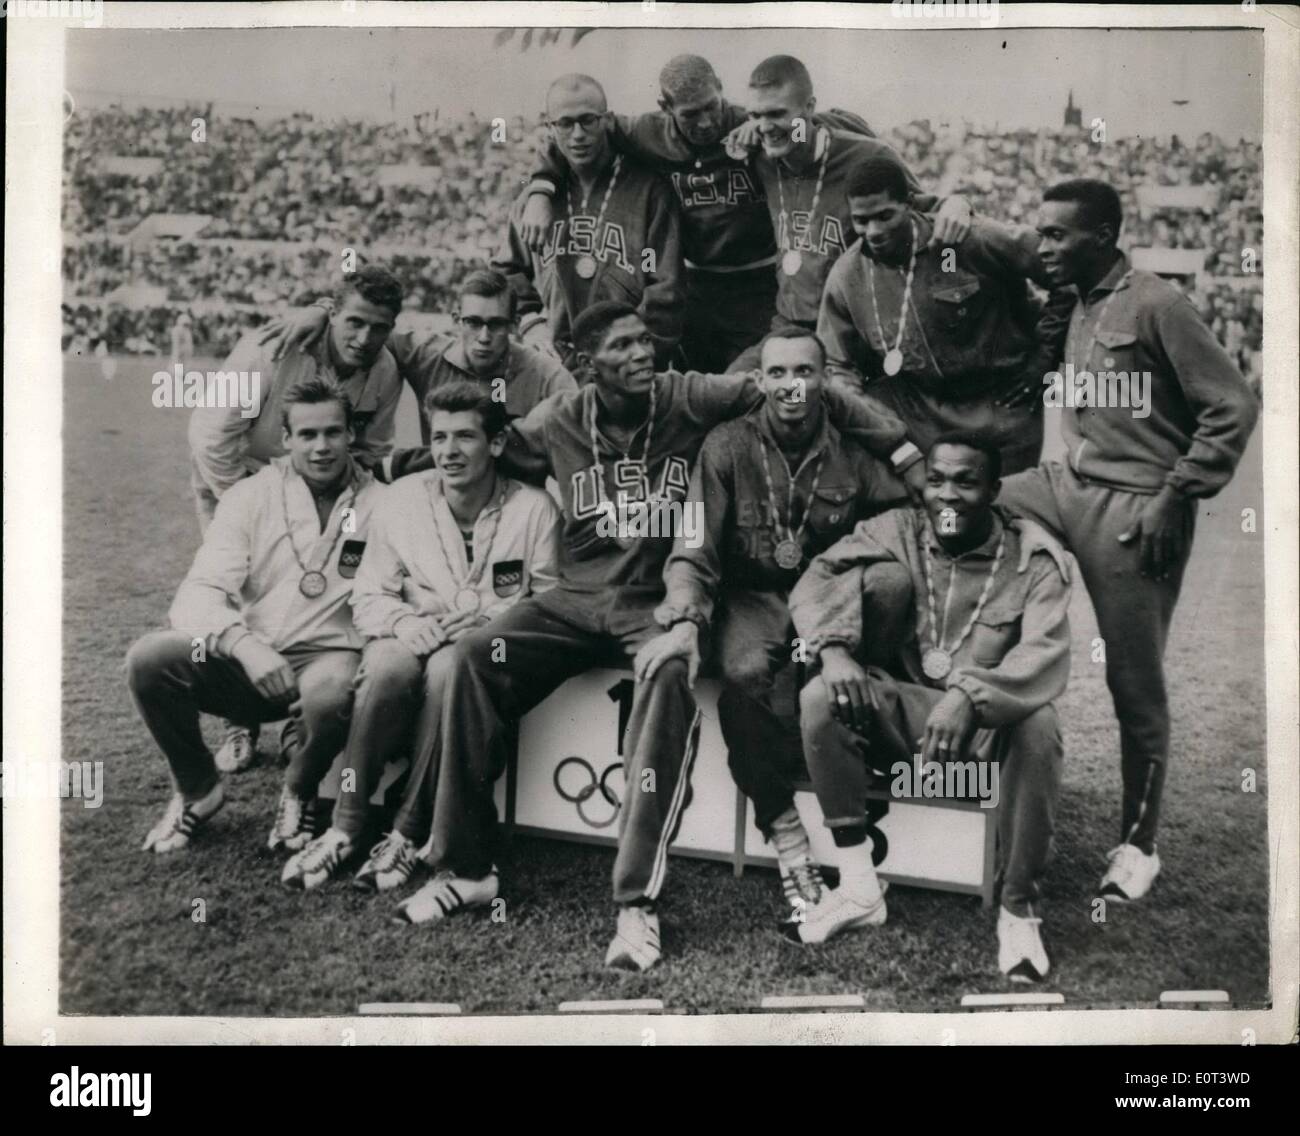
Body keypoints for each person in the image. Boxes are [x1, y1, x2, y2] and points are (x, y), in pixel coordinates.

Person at [404, 301, 927, 970]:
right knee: (475, 656)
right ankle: (468, 868)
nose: (641, 354)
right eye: (622, 347)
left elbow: (802, 388)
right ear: (590, 365)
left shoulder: (687, 395)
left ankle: (635, 904)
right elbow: (482, 440)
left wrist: (905, 449)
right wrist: (392, 466)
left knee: (665, 674)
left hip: (656, 605)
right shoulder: (558, 419)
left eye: (645, 341)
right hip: (575, 598)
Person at [998, 178, 1259, 903]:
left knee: (1132, 682)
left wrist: (1177, 493)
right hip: (1066, 484)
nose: (1042, 247)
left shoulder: (1160, 305)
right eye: (1040, 233)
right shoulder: (1078, 301)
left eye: (1057, 235)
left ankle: (1139, 846)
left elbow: (1232, 403)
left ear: (1105, 234)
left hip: (1135, 507)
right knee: (966, 504)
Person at [639, 328, 908, 911]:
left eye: (805, 372)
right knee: (741, 673)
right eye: (779, 373)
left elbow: (905, 510)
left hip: (827, 598)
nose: (792, 386)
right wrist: (686, 615)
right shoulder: (726, 445)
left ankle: (851, 731)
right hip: (755, 597)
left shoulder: (852, 451)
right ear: (759, 381)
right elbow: (693, 541)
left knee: (891, 581)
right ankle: (786, 830)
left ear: (824, 381)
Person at [789, 435, 1071, 982]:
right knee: (821, 694)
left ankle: (1018, 910)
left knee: (1040, 723)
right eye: (937, 480)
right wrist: (835, 649)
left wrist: (969, 696)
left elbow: (1046, 651)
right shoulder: (899, 527)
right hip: (909, 727)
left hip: (981, 735)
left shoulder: (1034, 556)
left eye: (966, 482)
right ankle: (858, 887)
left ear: (994, 490)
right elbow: (815, 578)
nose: (948, 495)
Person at [280, 381, 560, 895]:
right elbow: (368, 593)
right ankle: (345, 825)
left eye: (465, 438)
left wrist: (491, 623)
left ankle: (407, 833)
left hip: (480, 650)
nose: (449, 452)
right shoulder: (402, 499)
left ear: (496, 444)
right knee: (387, 669)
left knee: (450, 669)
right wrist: (407, 623)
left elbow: (547, 600)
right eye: (439, 438)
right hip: (405, 631)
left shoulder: (534, 509)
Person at [128, 377, 385, 857]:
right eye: (307, 435)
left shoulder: (382, 503)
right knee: (150, 658)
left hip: (327, 661)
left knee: (331, 692)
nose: (322, 447)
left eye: (333, 432)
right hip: (247, 661)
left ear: (352, 434)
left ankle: (299, 789)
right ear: (286, 440)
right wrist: (244, 645)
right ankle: (198, 789)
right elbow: (198, 592)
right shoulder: (250, 496)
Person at [515, 55, 876, 372]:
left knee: (748, 380)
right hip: (698, 287)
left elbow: (820, 125)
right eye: (690, 115)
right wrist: (540, 189)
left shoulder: (752, 124)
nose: (705, 123)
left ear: (721, 89)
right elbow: (572, 132)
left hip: (758, 283)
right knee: (702, 385)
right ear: (665, 107)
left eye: (711, 107)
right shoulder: (645, 132)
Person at [188, 265, 403, 774]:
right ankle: (240, 723)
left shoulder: (385, 369)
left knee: (319, 602)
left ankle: (298, 712)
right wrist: (251, 501)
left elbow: (373, 446)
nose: (364, 337)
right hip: (238, 475)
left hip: (322, 487)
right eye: (354, 322)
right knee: (241, 596)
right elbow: (209, 436)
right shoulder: (269, 349)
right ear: (331, 313)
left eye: (379, 327)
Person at [818, 154, 1072, 475]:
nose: (874, 231)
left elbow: (1069, 272)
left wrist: (1044, 357)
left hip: (1003, 407)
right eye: (861, 220)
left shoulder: (963, 240)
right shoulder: (847, 276)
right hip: (919, 414)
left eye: (885, 216)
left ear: (909, 204)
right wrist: (868, 421)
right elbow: (838, 365)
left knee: (1001, 510)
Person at [721, 55, 973, 371]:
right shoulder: (762, 154)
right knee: (730, 390)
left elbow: (926, 208)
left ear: (810, 108)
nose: (765, 126)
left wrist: (957, 204)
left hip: (853, 335)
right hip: (790, 328)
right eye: (755, 115)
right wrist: (752, 126)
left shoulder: (867, 156)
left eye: (777, 114)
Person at [256, 270, 579, 459]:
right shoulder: (425, 354)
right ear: (456, 321)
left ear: (513, 325)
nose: (483, 336)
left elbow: (580, 429)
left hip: (517, 501)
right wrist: (320, 309)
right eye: (473, 322)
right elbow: (366, 320)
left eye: (496, 324)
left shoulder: (544, 373)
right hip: (445, 496)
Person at [492, 74, 685, 370]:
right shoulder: (534, 201)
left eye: (588, 120)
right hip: (557, 365)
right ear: (550, 128)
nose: (578, 134)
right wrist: (530, 320)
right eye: (565, 123)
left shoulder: (649, 189)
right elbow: (505, 270)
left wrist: (628, 351)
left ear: (607, 120)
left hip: (626, 366)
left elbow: (665, 290)